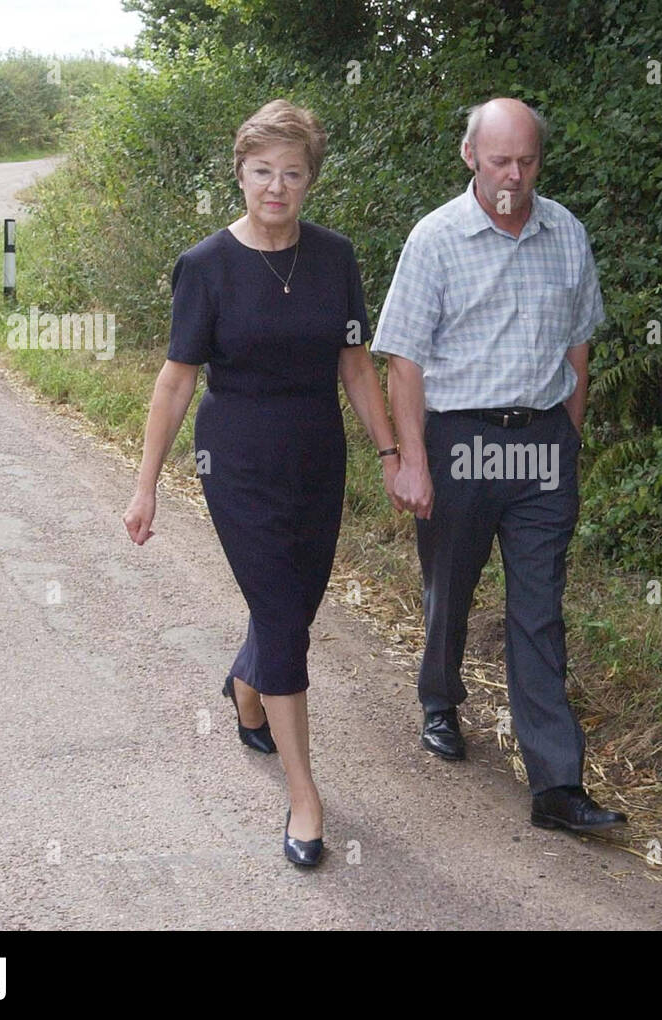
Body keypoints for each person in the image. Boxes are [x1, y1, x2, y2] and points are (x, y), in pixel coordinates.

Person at [122, 99, 400, 867]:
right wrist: (146, 485)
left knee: (294, 611)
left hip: (317, 455)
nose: (276, 187)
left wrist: (390, 453)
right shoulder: (206, 266)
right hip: (236, 460)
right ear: (239, 174)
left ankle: (248, 687)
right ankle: (305, 797)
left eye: (293, 173)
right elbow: (176, 382)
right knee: (280, 613)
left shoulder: (336, 258)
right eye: (261, 171)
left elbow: (353, 364)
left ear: (310, 180)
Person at [372, 97, 627, 833]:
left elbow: (580, 344)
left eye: (527, 160)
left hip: (543, 440)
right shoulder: (436, 238)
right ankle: (440, 700)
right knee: (449, 587)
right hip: (459, 440)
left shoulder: (565, 231)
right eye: (499, 160)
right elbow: (404, 358)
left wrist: (566, 439)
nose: (514, 174)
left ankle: (555, 784)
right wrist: (412, 460)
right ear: (469, 157)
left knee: (540, 610)